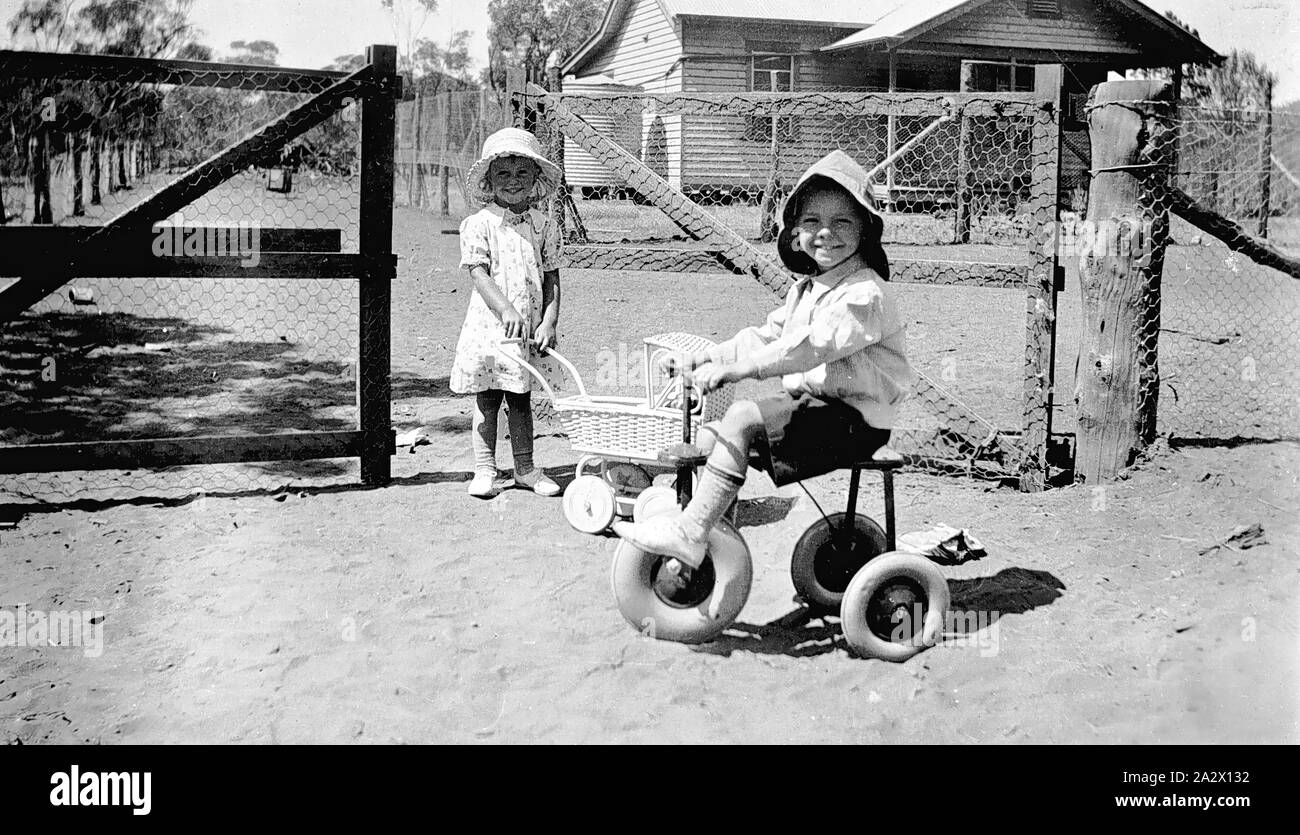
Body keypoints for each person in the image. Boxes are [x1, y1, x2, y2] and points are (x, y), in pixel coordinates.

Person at [613, 149, 916, 568]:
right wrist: (702, 360)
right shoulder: (809, 288)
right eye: (812, 222)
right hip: (824, 411)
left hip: (858, 420)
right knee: (712, 436)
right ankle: (711, 534)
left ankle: (691, 535)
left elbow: (811, 345)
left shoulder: (864, 294)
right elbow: (765, 336)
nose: (825, 233)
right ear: (795, 233)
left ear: (865, 230)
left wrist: (738, 371)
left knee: (740, 416)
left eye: (842, 221)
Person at [451, 128, 565, 498]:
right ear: (489, 179)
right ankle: (485, 469)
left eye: (521, 174)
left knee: (520, 398)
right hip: (491, 329)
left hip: (527, 333)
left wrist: (548, 321)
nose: (513, 182)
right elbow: (478, 273)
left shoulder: (544, 226)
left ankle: (525, 468)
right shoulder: (480, 224)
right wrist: (505, 310)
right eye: (503, 174)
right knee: (487, 399)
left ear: (535, 178)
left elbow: (552, 277)